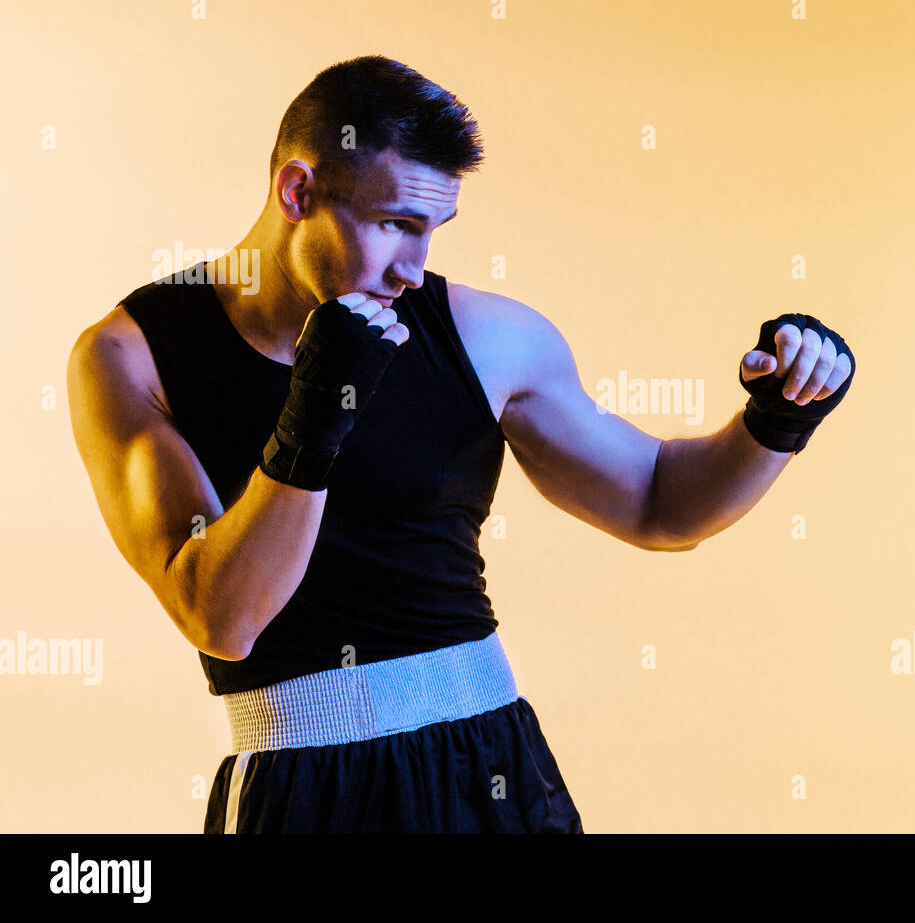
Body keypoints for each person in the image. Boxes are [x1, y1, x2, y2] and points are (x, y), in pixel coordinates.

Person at [65, 55, 856, 833]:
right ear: (297, 190)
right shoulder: (134, 356)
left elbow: (657, 502)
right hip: (299, 780)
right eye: (395, 225)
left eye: (434, 229)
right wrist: (313, 418)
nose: (414, 268)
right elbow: (222, 618)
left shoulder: (483, 335)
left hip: (488, 766)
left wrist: (778, 418)